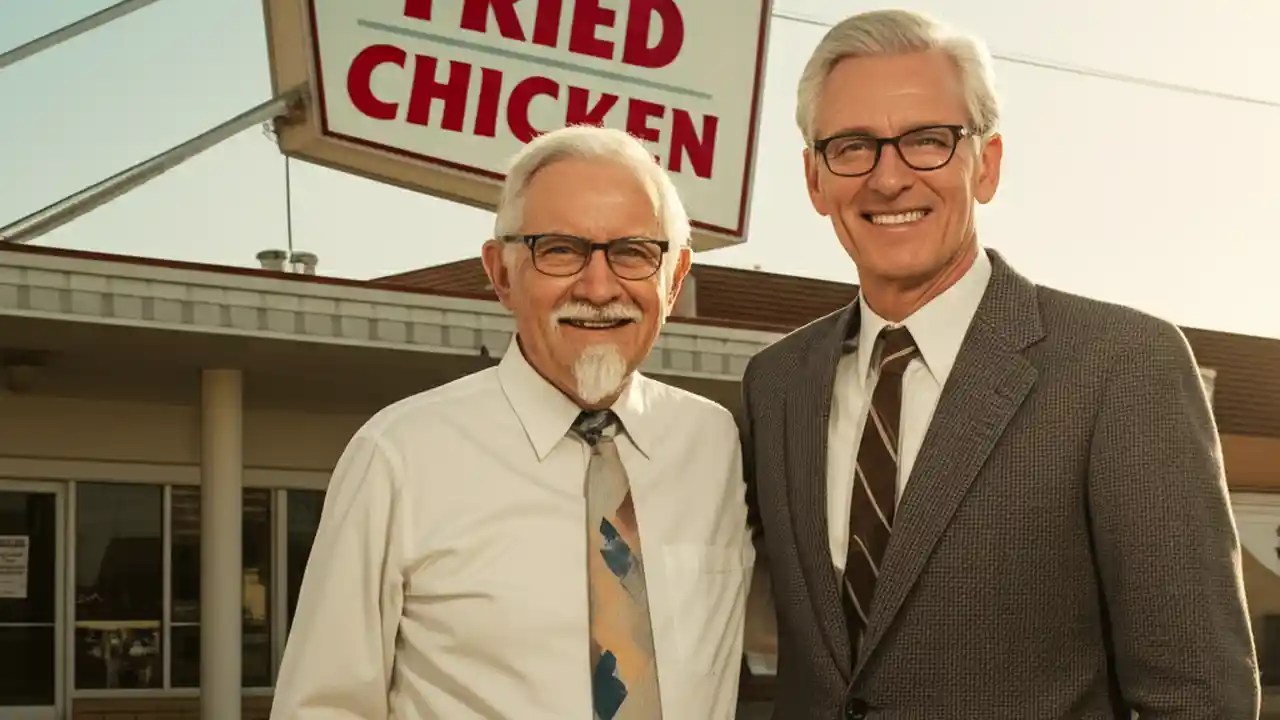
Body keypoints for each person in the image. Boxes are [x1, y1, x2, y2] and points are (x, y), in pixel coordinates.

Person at [739, 9, 1259, 719]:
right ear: (814, 178)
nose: (888, 179)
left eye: (927, 141)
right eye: (853, 146)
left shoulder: (1123, 368)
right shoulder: (775, 386)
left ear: (985, 164)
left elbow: (1199, 697)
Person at [271, 125, 754, 719]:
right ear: (501, 273)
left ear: (674, 279)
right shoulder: (399, 457)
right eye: (560, 249)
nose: (599, 287)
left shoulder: (719, 447)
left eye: (632, 252)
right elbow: (322, 708)